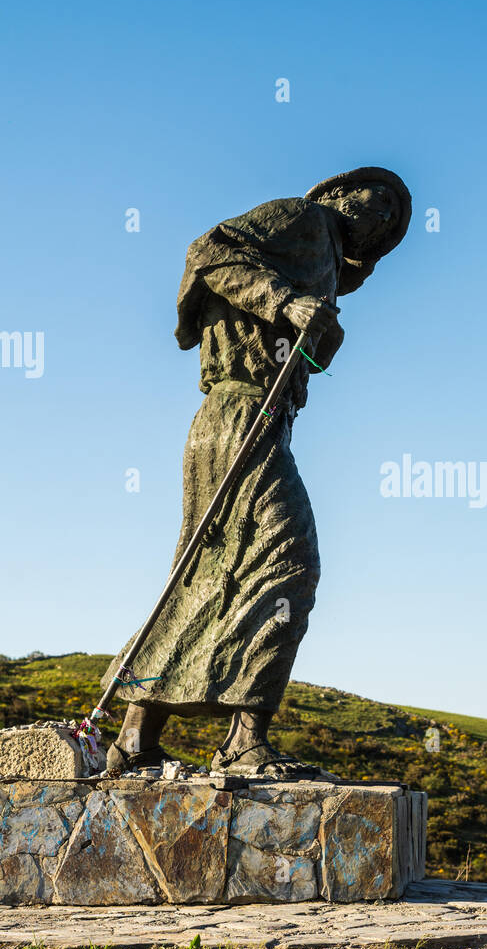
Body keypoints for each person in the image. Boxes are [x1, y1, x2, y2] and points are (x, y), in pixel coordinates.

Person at [103, 167, 411, 779]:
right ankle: (243, 739)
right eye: (375, 199)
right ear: (336, 193)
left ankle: (137, 735)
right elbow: (209, 251)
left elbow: (298, 351)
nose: (380, 216)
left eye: (390, 219)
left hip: (260, 418)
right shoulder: (303, 218)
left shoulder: (323, 259)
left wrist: (319, 333)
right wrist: (287, 302)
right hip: (237, 412)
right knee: (289, 559)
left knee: (215, 566)